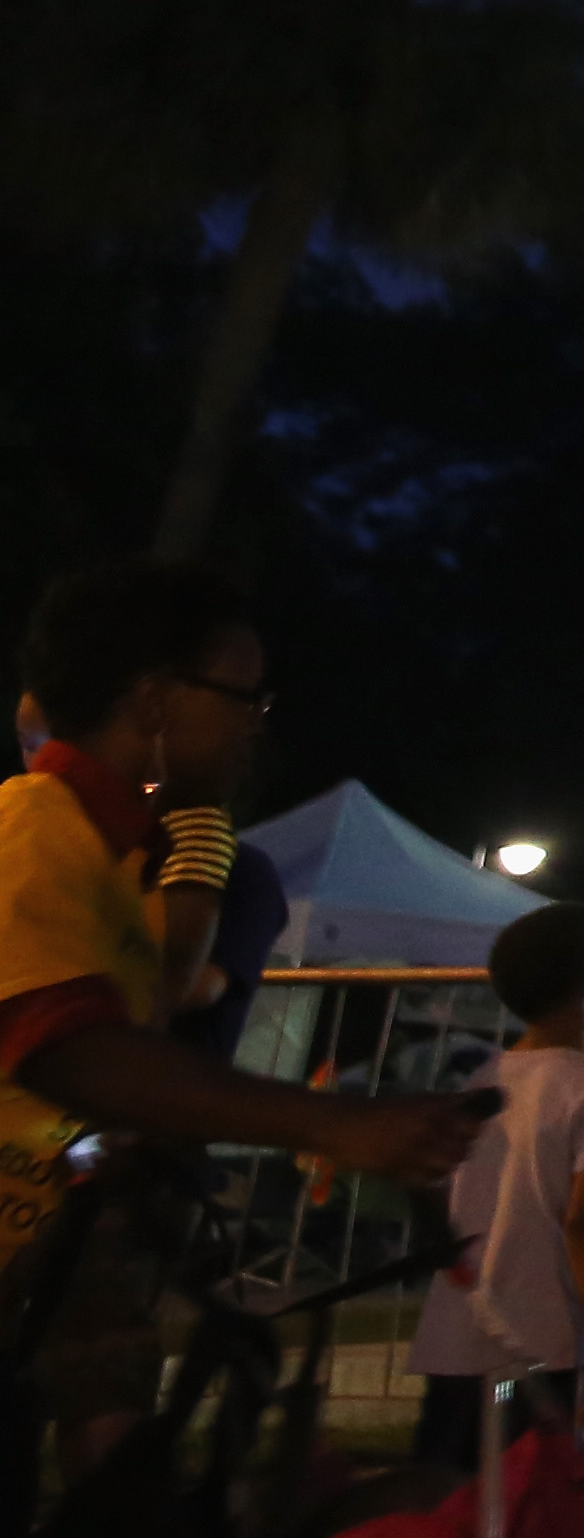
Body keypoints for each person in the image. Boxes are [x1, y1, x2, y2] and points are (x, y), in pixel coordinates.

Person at [2, 560, 491, 1403]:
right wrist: (335, 1123)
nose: (256, 726)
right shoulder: (34, 831)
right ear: (153, 701)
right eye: (244, 698)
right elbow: (70, 1051)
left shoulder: (117, 856)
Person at [410, 904, 584, 1470]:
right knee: (537, 1490)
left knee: (453, 1495)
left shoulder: (483, 1078)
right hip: (547, 1335)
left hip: (459, 1327)